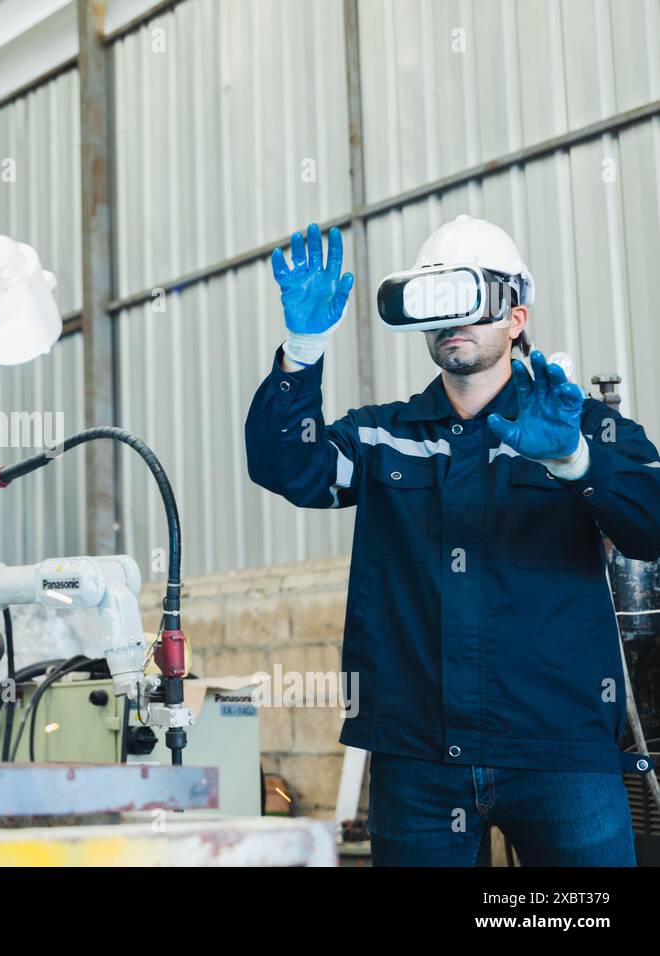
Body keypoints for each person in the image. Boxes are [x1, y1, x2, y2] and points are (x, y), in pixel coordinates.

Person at [245, 217, 660, 866]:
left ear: (515, 316)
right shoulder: (384, 438)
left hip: (561, 753)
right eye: (435, 301)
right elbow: (286, 466)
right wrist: (301, 349)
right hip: (418, 760)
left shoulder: (574, 422)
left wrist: (578, 460)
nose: (453, 320)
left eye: (471, 298)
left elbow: (653, 525)